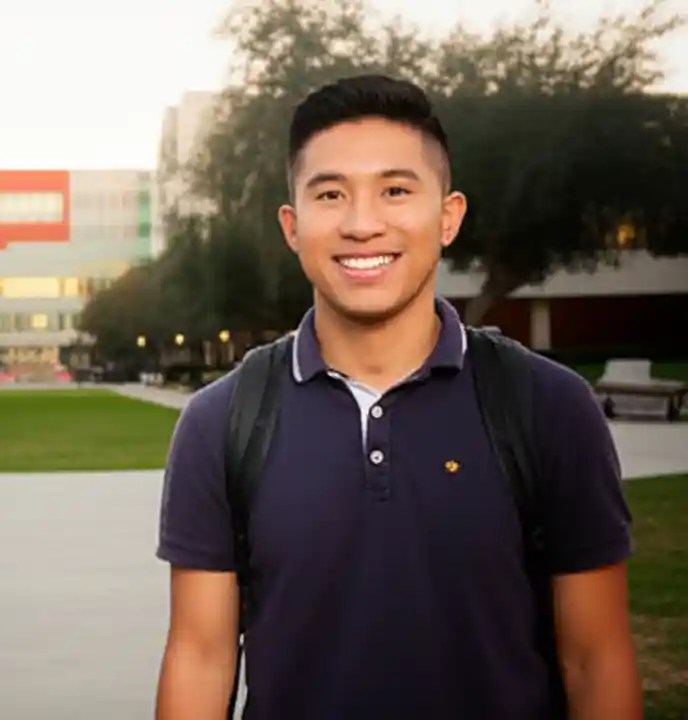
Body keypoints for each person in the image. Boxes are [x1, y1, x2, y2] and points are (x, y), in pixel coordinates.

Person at [154, 75, 640, 719]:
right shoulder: (221, 422)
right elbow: (200, 657)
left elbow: (596, 659)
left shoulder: (549, 408)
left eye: (396, 191)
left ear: (448, 217)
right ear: (292, 226)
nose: (362, 224)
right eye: (331, 194)